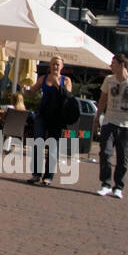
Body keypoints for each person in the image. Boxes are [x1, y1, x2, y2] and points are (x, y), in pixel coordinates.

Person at [95, 53, 128, 198]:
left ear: (122, 64)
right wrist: (97, 118)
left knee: (123, 158)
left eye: (113, 63)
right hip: (109, 122)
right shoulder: (108, 80)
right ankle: (106, 184)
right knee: (105, 153)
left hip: (125, 125)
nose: (111, 65)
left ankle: (118, 187)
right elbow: (102, 99)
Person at [31, 55, 73, 185]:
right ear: (49, 66)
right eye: (53, 64)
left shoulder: (66, 80)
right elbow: (32, 90)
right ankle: (36, 174)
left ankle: (48, 176)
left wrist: (56, 84)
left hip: (57, 117)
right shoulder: (43, 78)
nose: (55, 66)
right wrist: (25, 92)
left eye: (57, 64)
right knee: (38, 143)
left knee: (53, 146)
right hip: (43, 114)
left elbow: (67, 96)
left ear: (62, 67)